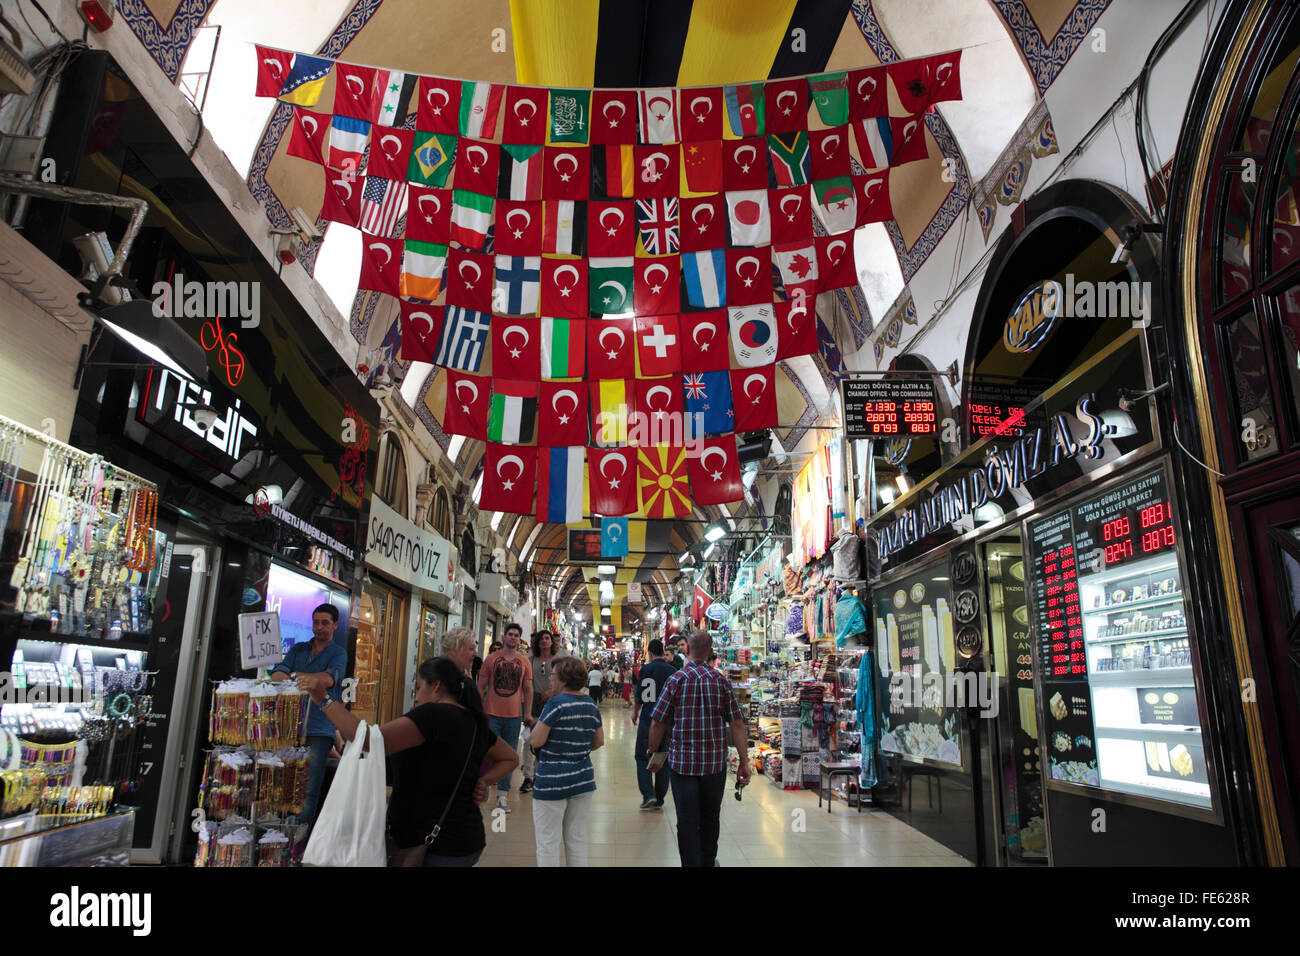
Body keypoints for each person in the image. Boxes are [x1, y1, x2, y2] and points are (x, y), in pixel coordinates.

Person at [306, 656, 519, 866]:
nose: (416, 698)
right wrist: (484, 780)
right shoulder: (474, 722)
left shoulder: (432, 715)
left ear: (436, 686)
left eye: (419, 688)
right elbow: (510, 758)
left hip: (432, 845)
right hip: (465, 840)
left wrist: (324, 700)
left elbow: (369, 740)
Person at [648, 630, 751, 867]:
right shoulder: (721, 681)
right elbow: (736, 723)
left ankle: (690, 863)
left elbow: (658, 721)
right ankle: (707, 861)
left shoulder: (676, 680)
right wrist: (744, 761)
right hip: (714, 766)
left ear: (687, 650)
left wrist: (653, 751)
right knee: (710, 817)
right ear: (711, 652)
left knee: (686, 820)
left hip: (683, 765)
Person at [269, 603, 348, 825]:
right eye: (316, 622)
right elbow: (276, 676)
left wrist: (293, 676)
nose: (319, 627)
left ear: (335, 625)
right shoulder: (298, 649)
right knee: (283, 783)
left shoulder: (338, 653)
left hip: (319, 728)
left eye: (325, 623)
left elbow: (327, 680)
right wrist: (309, 679)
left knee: (308, 788)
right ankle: (280, 833)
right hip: (289, 725)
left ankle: (299, 840)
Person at [529, 656, 603, 866]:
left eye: (553, 676)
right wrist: (576, 748)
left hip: (552, 780)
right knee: (577, 839)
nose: (550, 680)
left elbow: (537, 740)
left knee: (547, 842)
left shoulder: (555, 704)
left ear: (563, 678)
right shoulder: (590, 704)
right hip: (582, 779)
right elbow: (599, 741)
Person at [476, 623, 533, 811]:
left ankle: (502, 795)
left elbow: (528, 689)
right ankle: (482, 785)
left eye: (516, 635)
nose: (513, 638)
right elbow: (481, 685)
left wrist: (528, 713)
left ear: (519, 638)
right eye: (510, 634)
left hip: (514, 715)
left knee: (509, 756)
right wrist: (477, 709)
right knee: (487, 752)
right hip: (491, 713)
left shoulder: (524, 662)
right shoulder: (491, 659)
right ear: (504, 636)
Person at [632, 639, 676, 810]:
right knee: (663, 756)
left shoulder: (646, 669)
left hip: (648, 717)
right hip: (667, 720)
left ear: (650, 653)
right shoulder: (672, 671)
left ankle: (648, 794)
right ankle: (659, 798)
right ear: (662, 651)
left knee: (642, 756)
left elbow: (641, 694)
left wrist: (635, 711)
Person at [520, 629, 562, 794]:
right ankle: (527, 776)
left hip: (553, 704)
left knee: (546, 740)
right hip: (534, 703)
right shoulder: (530, 660)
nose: (544, 641)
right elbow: (526, 683)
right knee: (529, 740)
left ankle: (540, 774)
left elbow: (563, 680)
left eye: (547, 638)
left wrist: (552, 692)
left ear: (552, 642)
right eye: (541, 639)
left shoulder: (558, 660)